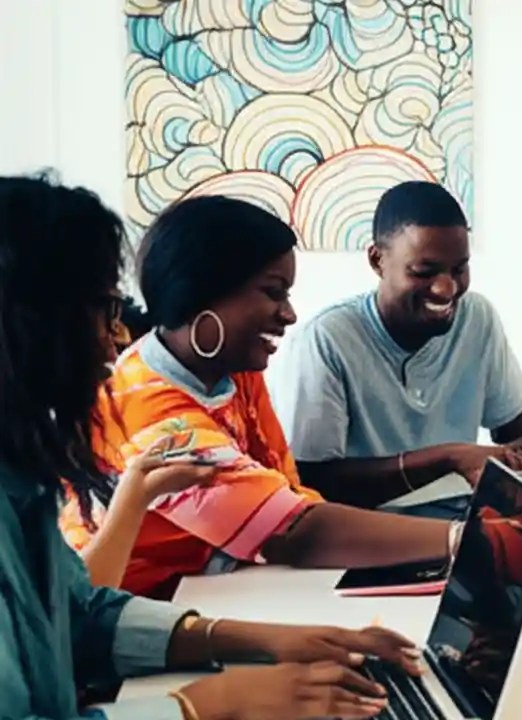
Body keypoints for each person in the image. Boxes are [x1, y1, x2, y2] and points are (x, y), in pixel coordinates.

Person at [0, 172, 438, 720]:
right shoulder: (153, 410)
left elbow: (83, 614)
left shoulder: (24, 479)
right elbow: (292, 531)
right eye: (104, 309)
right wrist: (209, 704)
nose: (116, 337)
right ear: (31, 322)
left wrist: (273, 641)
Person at [58, 194, 456, 599]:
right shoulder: (151, 408)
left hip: (222, 588)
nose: (289, 313)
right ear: (203, 295)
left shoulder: (230, 367)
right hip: (130, 614)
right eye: (273, 292)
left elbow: (286, 489)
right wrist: (464, 538)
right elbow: (293, 532)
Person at [270, 181, 522, 509]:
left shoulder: (477, 318)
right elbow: (311, 481)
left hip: (462, 524)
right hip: (368, 537)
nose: (446, 288)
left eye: (459, 269)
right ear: (377, 260)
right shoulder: (327, 339)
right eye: (423, 272)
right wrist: (447, 458)